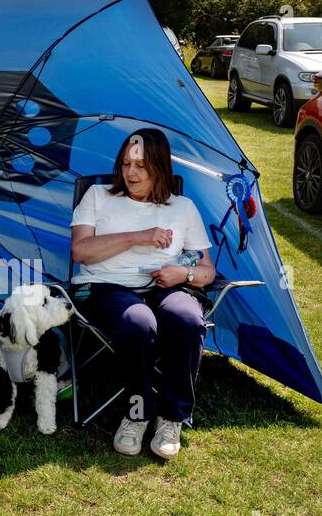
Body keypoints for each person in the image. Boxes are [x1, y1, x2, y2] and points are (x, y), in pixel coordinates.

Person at [70, 127, 216, 459]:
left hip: (165, 287)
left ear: (160, 168)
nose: (131, 173)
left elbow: (207, 271)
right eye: (125, 165)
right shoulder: (97, 196)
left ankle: (172, 417)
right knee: (138, 321)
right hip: (108, 288)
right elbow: (80, 251)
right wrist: (139, 236)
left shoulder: (183, 207)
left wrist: (184, 273)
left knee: (187, 317)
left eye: (141, 166)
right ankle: (137, 413)